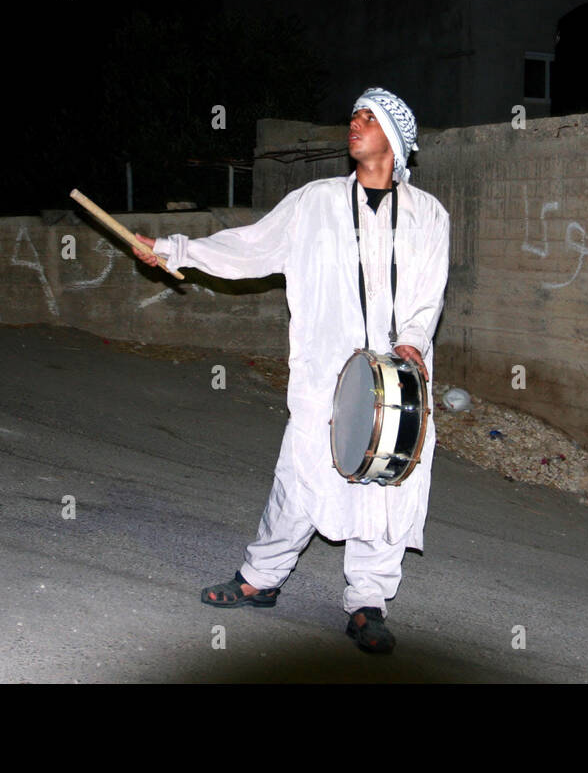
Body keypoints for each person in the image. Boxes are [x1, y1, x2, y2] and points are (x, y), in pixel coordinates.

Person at [132, 87, 449, 654]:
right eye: (352, 113)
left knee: (386, 487)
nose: (354, 123)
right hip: (325, 372)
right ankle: (261, 579)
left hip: (396, 380)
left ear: (395, 140)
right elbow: (249, 249)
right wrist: (175, 250)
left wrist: (415, 345)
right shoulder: (315, 202)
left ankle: (368, 603)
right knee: (300, 477)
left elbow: (429, 298)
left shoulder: (429, 216)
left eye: (368, 117)